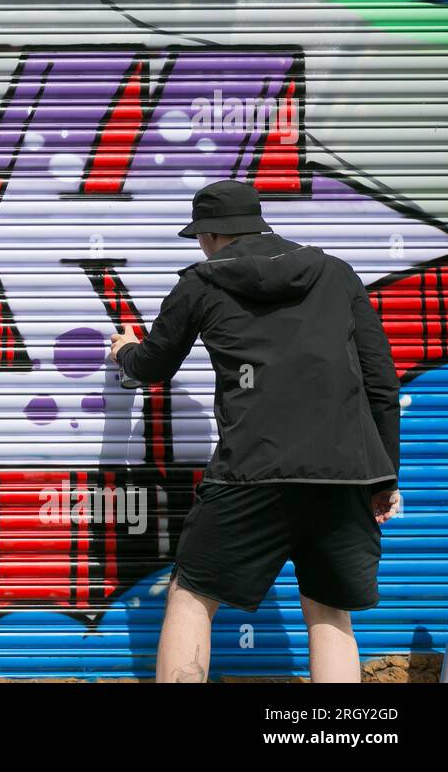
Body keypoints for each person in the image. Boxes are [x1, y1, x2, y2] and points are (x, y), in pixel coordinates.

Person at [108, 178, 402, 683]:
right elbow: (381, 383)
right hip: (343, 472)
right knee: (330, 615)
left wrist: (124, 352)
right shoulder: (335, 274)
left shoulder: (200, 282)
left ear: (209, 234)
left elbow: (154, 365)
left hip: (251, 470)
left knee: (192, 596)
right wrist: (383, 475)